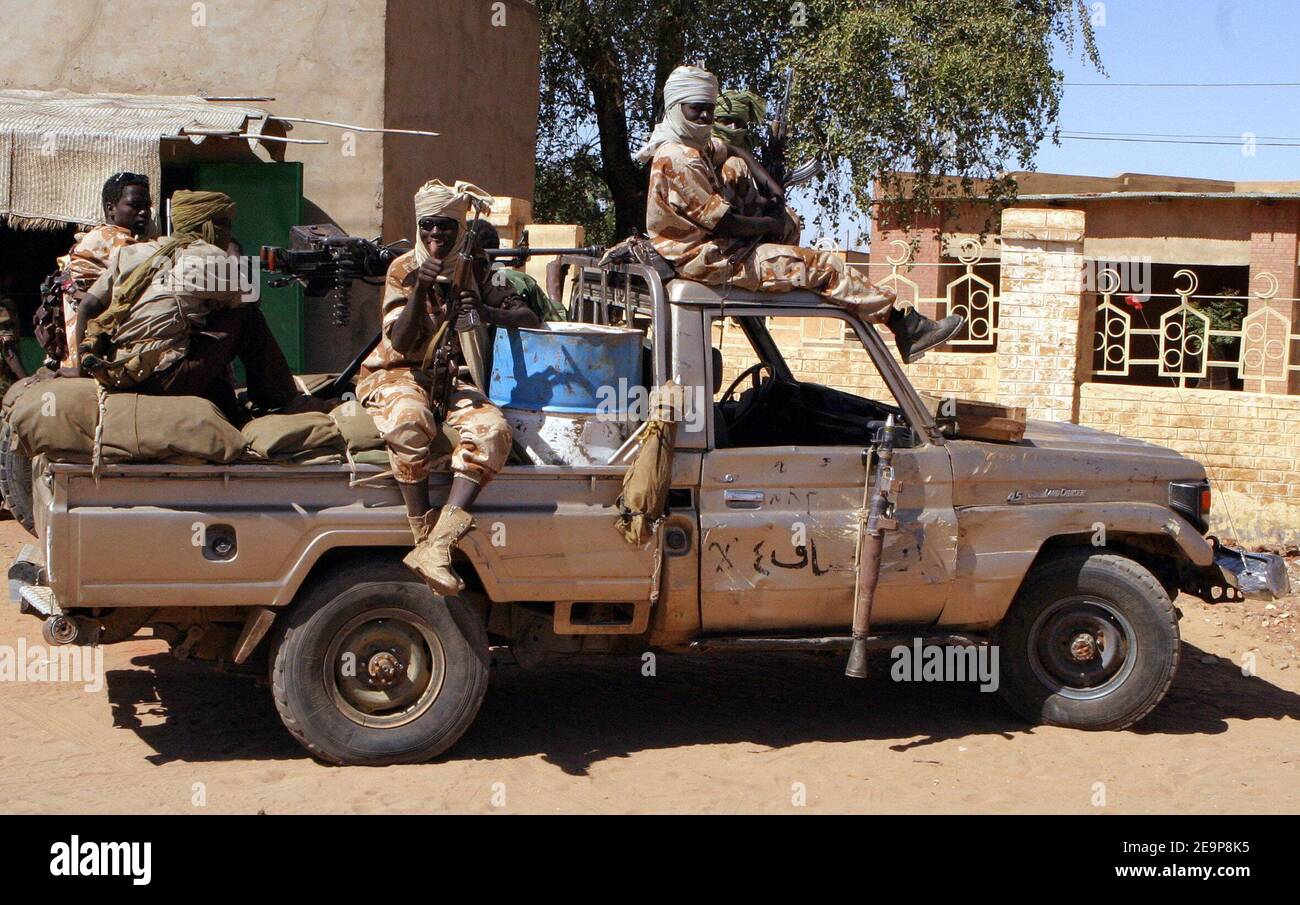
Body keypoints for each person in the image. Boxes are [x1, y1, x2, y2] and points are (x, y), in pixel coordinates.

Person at [640, 65, 963, 363]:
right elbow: (725, 223)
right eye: (696, 108)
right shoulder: (678, 157)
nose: (705, 117)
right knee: (825, 266)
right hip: (703, 258)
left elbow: (736, 151)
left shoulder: (695, 145)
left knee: (744, 176)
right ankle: (905, 326)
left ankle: (776, 244)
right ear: (676, 107)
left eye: (709, 109)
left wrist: (774, 194)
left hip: (718, 247)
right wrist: (769, 223)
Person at [356, 179, 515, 596]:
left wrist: (483, 309)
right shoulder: (404, 268)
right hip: (397, 371)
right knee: (410, 422)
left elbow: (525, 314)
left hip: (454, 377)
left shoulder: (476, 266)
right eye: (428, 226)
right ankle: (422, 537)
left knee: (493, 432)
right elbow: (401, 341)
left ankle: (440, 543)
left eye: (445, 226)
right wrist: (422, 288)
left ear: (459, 227)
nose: (436, 235)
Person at [76, 189, 299, 424]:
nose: (228, 233)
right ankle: (279, 400)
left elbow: (87, 307)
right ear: (208, 227)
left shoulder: (134, 252)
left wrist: (81, 376)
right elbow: (249, 303)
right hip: (164, 377)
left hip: (121, 371)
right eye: (225, 225)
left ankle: (228, 409)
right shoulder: (210, 256)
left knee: (193, 331)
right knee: (246, 317)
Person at [58, 172, 153, 372]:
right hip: (92, 346)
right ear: (111, 208)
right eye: (135, 205)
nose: (144, 212)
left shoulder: (101, 236)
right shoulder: (116, 240)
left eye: (147, 206)